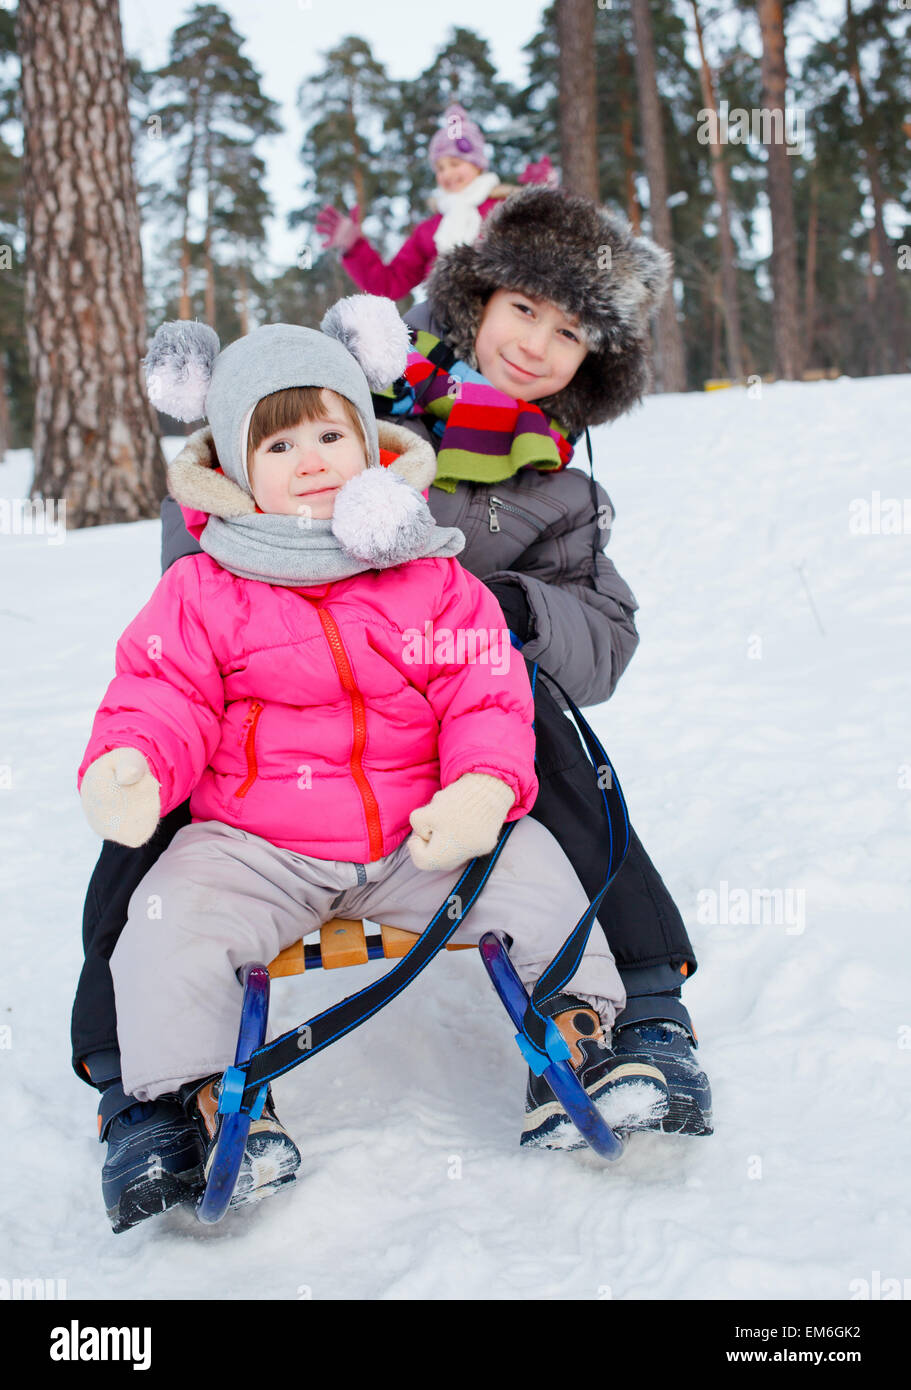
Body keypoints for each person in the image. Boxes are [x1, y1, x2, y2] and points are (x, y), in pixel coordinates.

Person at [76, 297, 666, 1233]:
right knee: (171, 917)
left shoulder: (428, 573)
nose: (309, 458)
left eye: (327, 432)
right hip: (257, 845)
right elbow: (165, 692)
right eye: (277, 447)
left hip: (415, 835)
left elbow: (482, 693)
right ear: (233, 468)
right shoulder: (204, 584)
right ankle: (195, 1102)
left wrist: (480, 788)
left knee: (532, 873)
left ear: (369, 440)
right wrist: (136, 762)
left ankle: (582, 1042)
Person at [316, 102, 554, 301]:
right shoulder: (430, 230)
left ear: (478, 164)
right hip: (443, 330)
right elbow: (389, 285)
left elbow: (548, 248)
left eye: (455, 164)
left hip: (502, 319)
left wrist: (546, 201)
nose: (447, 174)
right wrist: (355, 247)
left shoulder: (504, 208)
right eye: (440, 167)